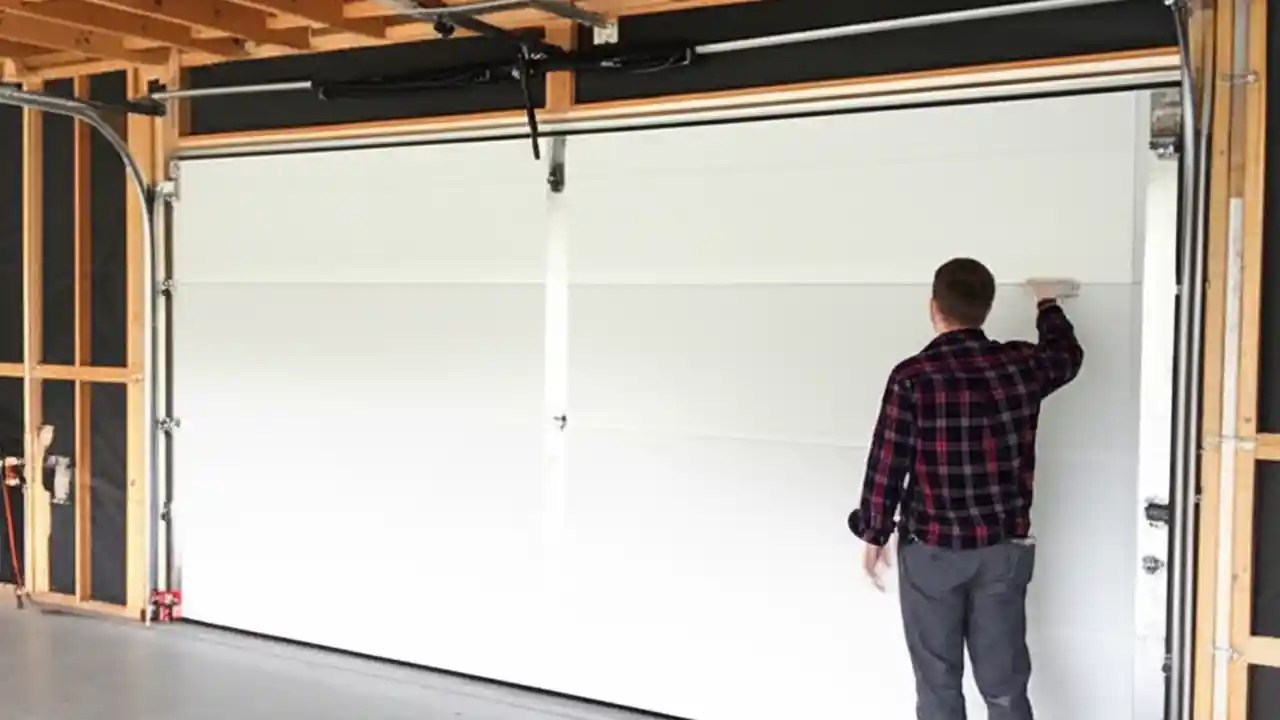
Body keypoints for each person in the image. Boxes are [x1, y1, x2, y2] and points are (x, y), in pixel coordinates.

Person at [847, 258, 1084, 720]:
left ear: (934, 307)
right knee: (1005, 687)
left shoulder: (913, 377)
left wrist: (874, 534)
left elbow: (887, 462)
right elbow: (1066, 355)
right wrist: (1046, 303)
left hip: (932, 552)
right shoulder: (1020, 366)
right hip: (1002, 550)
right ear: (987, 308)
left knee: (938, 686)